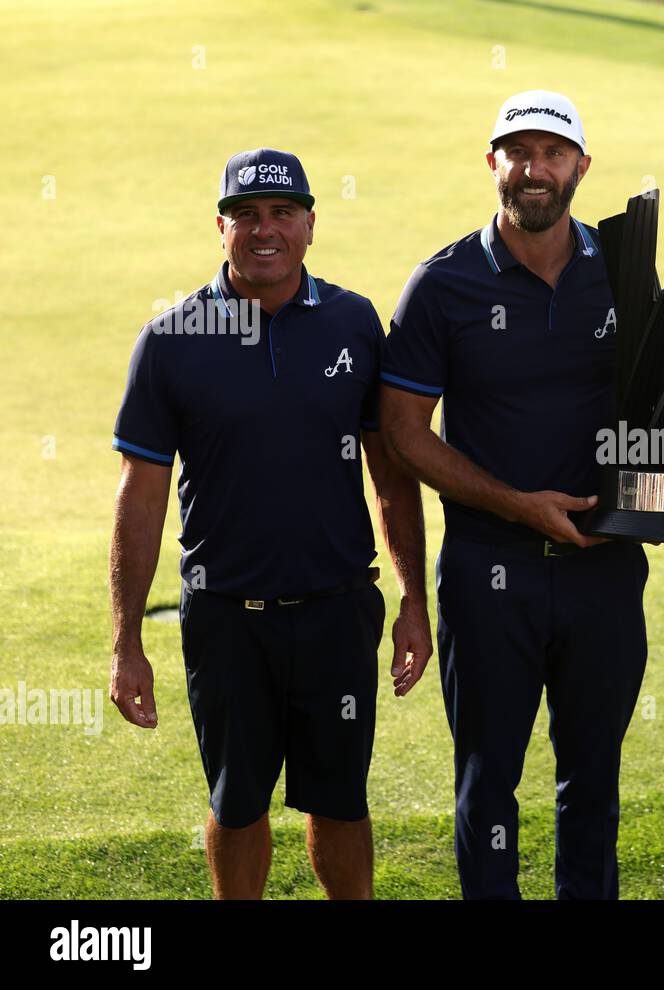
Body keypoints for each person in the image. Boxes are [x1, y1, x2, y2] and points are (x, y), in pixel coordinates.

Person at [108, 148, 432, 900]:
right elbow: (141, 499)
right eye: (246, 215)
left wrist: (414, 600)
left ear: (310, 225)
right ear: (220, 227)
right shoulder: (171, 340)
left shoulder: (353, 322)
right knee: (237, 802)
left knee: (342, 801)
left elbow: (389, 473)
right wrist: (125, 639)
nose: (264, 230)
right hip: (227, 620)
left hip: (337, 611)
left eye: (282, 213)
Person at [379, 91, 649, 900]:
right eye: (519, 153)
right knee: (487, 782)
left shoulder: (625, 272)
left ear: (581, 168)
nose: (536, 170)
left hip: (604, 568)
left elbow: (657, 409)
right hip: (489, 571)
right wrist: (517, 503)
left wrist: (647, 500)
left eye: (553, 153)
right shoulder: (444, 283)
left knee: (593, 780)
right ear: (492, 162)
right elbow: (402, 431)